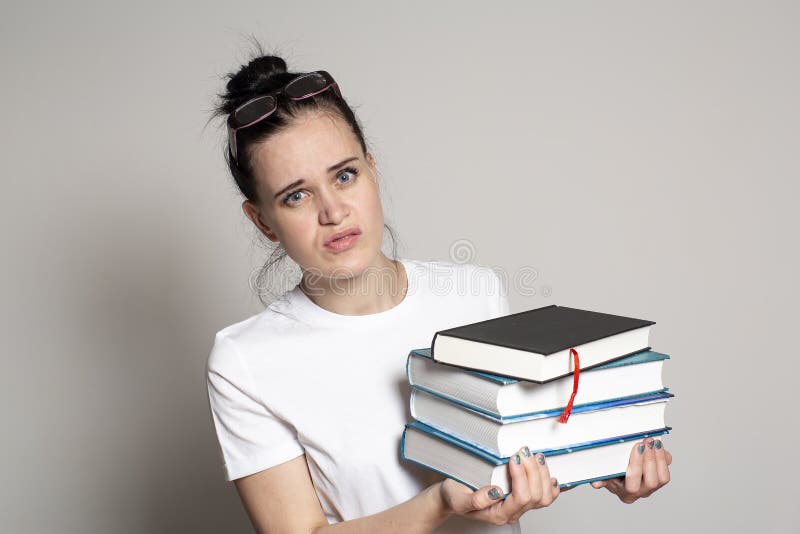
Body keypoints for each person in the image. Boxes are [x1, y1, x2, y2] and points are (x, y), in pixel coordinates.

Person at [205, 49, 672, 534]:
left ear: (371, 168)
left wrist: (608, 463)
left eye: (345, 175)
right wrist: (439, 503)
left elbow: (529, 445)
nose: (333, 211)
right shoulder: (245, 361)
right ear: (262, 221)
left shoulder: (473, 294)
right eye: (296, 196)